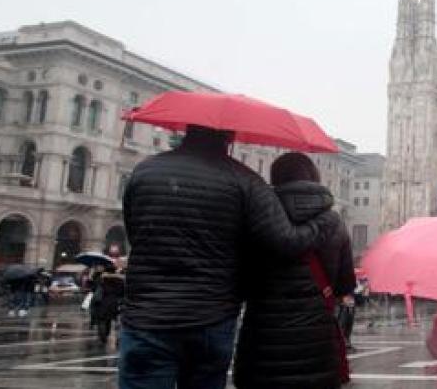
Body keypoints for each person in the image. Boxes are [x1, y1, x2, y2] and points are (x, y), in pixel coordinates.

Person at [118, 127, 339, 389]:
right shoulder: (245, 180)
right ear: (229, 137)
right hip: (210, 316)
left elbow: (135, 234)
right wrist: (325, 221)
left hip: (146, 316)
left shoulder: (144, 171)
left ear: (188, 131)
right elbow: (287, 242)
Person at [233, 152, 355, 389]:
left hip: (263, 342)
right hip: (317, 344)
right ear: (314, 177)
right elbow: (344, 286)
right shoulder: (335, 223)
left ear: (275, 178)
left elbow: (240, 281)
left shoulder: (255, 217)